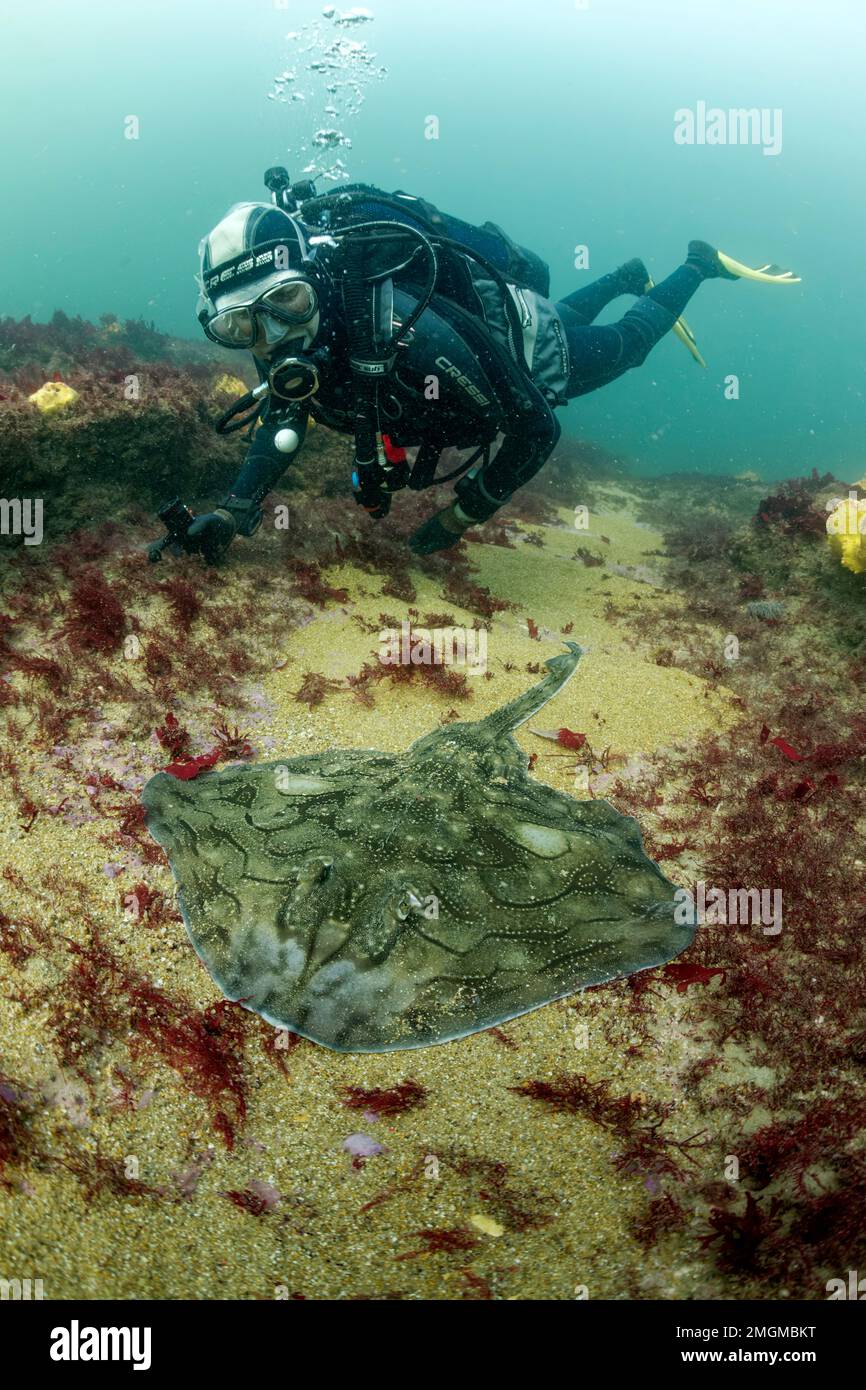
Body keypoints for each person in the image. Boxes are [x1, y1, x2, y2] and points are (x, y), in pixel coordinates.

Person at [165, 175, 798, 564]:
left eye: (288, 304)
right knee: (564, 310)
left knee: (625, 346)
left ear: (317, 281)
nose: (273, 338)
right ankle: (627, 275)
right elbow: (284, 414)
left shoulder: (403, 333)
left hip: (530, 349)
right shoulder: (288, 334)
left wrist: (461, 516)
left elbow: (535, 428)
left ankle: (697, 263)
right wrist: (230, 514)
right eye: (239, 328)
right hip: (499, 325)